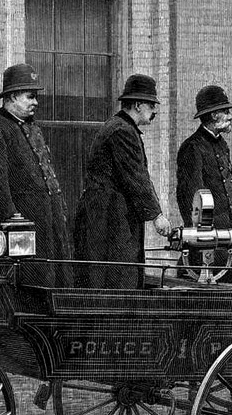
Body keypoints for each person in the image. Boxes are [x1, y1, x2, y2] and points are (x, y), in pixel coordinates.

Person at [0, 63, 72, 286]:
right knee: (31, 286)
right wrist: (15, 226)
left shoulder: (32, 128)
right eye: (30, 97)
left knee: (57, 283)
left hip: (49, 226)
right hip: (23, 232)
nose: (35, 102)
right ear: (11, 98)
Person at [73, 74, 171, 289]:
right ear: (137, 105)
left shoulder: (120, 127)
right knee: (117, 275)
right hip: (109, 217)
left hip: (109, 214)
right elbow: (136, 177)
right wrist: (156, 216)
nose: (155, 111)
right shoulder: (122, 131)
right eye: (152, 105)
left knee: (110, 273)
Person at [176, 85, 232, 268]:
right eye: (226, 111)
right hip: (210, 241)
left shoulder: (222, 145)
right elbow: (191, 198)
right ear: (214, 115)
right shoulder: (193, 147)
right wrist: (203, 237)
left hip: (230, 237)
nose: (230, 117)